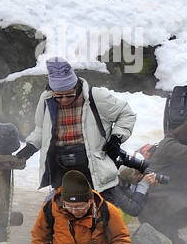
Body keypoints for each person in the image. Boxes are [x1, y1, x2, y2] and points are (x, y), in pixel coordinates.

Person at [17, 58, 137, 195]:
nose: (64, 100)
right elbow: (41, 129)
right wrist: (30, 147)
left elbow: (126, 113)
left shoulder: (95, 97)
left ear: (76, 86)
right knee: (64, 214)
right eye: (58, 96)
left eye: (69, 95)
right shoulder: (46, 99)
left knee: (104, 215)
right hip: (62, 171)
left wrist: (116, 139)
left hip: (95, 170)